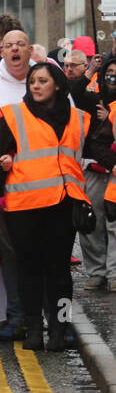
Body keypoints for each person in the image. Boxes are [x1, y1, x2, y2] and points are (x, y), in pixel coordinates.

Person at [0, 62, 90, 351]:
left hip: (63, 205)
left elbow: (97, 148)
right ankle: (34, 329)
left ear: (57, 85)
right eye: (32, 81)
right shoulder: (15, 115)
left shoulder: (79, 118)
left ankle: (61, 328)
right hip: (25, 206)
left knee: (60, 273)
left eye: (43, 81)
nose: (35, 85)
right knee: (29, 270)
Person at [0, 27, 35, 337]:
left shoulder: (46, 86)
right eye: (9, 45)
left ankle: (44, 316)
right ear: (1, 51)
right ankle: (16, 316)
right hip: (1, 188)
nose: (14, 49)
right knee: (9, 252)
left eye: (21, 44)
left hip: (42, 189)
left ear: (30, 51)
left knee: (38, 253)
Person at [83, 56, 116, 291]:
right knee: (92, 223)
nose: (113, 76)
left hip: (113, 174)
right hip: (95, 169)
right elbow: (97, 142)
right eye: (109, 71)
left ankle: (114, 272)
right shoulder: (93, 98)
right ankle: (97, 271)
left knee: (114, 226)